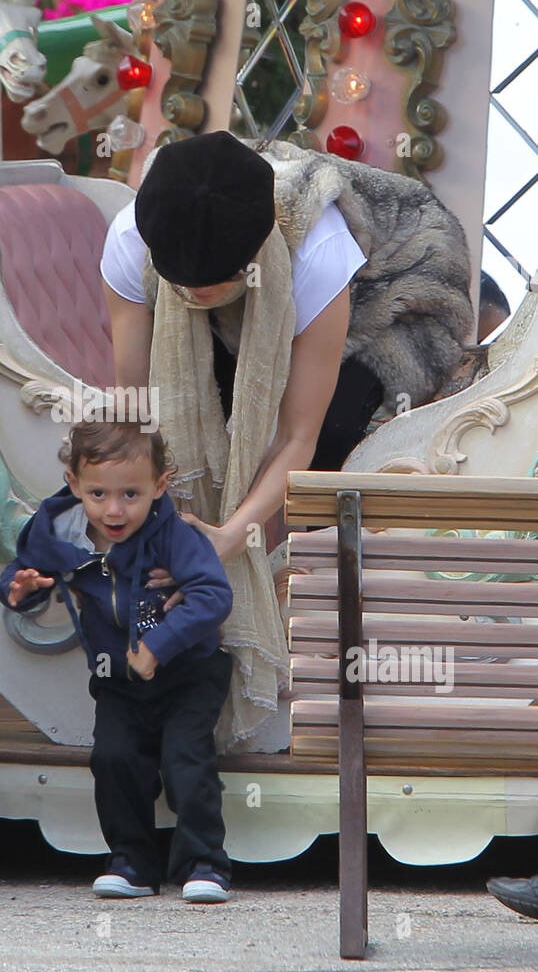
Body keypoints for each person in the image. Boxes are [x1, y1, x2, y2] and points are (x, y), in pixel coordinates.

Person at [101, 131, 473, 748]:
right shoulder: (131, 238)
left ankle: (306, 637)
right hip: (241, 319)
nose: (194, 293)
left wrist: (228, 534)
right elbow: (138, 404)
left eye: (213, 281)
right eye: (182, 282)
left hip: (392, 298)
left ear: (251, 253)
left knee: (332, 431)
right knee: (202, 402)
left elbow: (299, 435)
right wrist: (146, 516)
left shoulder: (319, 250)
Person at [0, 421, 234, 903]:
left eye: (131, 493)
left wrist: (157, 647)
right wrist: (17, 591)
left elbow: (212, 595)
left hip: (188, 673)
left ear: (159, 486)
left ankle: (204, 862)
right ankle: (132, 861)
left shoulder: (170, 533)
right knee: (114, 759)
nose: (114, 509)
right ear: (73, 485)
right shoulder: (58, 532)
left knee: (185, 760)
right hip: (116, 676)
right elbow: (23, 570)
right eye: (98, 493)